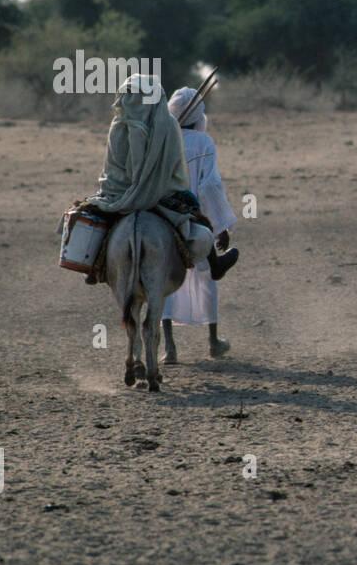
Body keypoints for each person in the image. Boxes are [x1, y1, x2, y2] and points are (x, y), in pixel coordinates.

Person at [83, 73, 238, 282]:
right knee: (193, 206)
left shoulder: (117, 125)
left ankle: (92, 265)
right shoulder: (161, 126)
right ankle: (215, 263)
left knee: (90, 214)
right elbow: (173, 169)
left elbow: (110, 166)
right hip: (153, 194)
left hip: (116, 193)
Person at [161, 86, 240, 362]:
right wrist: (220, 226)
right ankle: (213, 342)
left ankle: (169, 348)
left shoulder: (163, 139)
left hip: (162, 215)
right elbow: (209, 186)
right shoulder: (204, 143)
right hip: (191, 219)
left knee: (163, 279)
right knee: (207, 274)